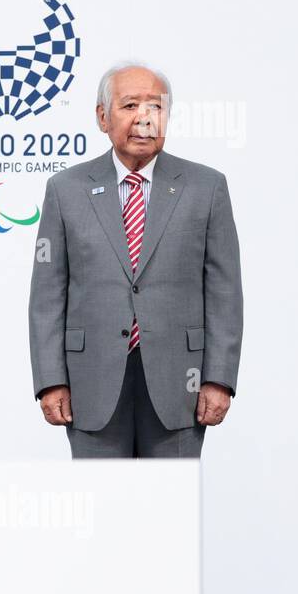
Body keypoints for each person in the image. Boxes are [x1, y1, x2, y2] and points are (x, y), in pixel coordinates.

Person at [28, 62, 243, 458]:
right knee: (100, 496)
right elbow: (47, 296)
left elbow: (224, 293)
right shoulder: (65, 189)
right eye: (130, 106)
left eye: (155, 107)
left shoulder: (206, 187)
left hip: (181, 385)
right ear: (102, 117)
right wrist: (51, 380)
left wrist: (219, 379)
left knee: (170, 496)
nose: (144, 118)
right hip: (90, 383)